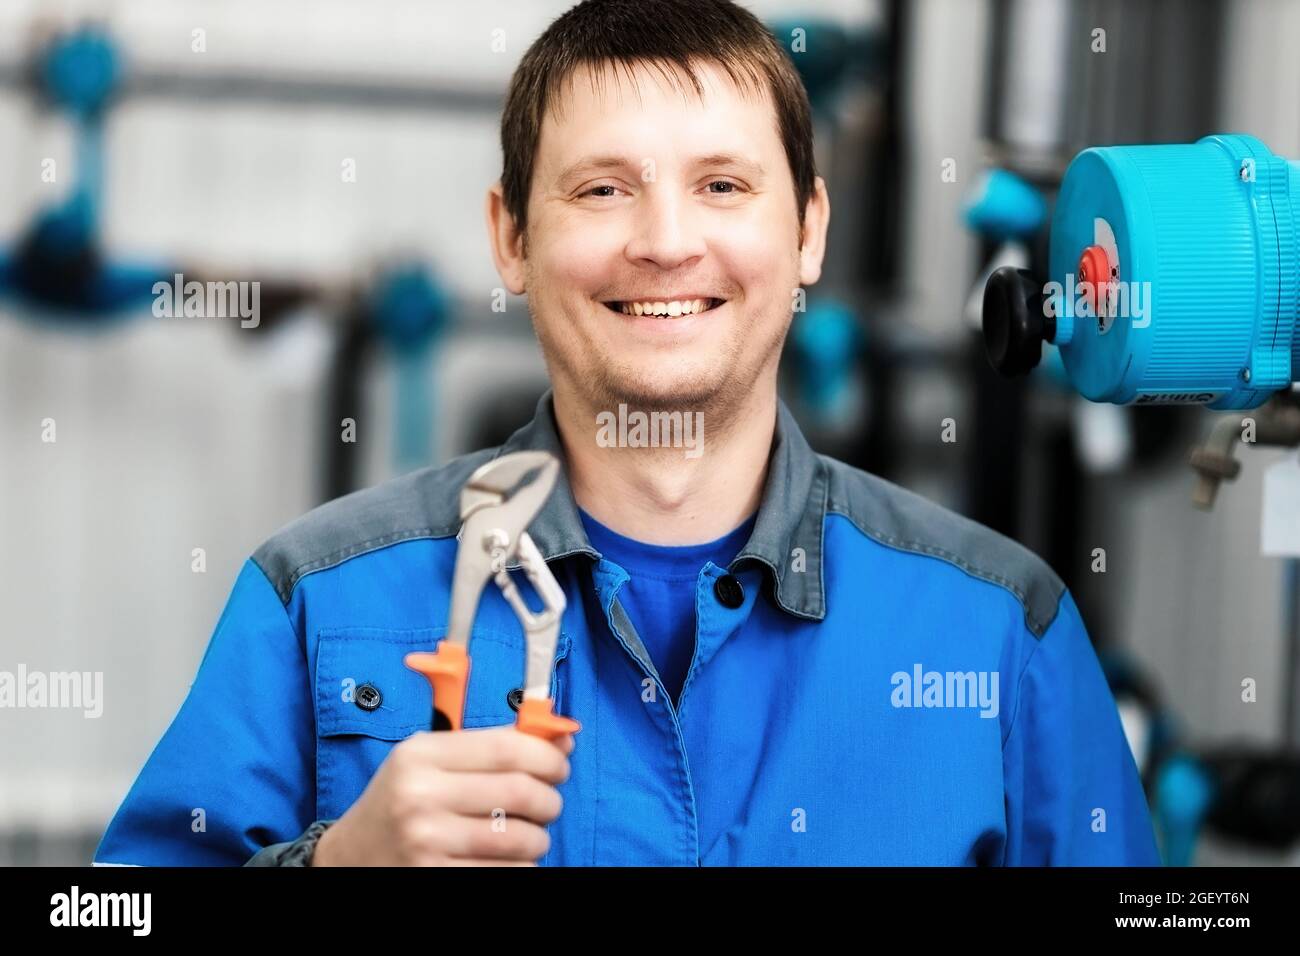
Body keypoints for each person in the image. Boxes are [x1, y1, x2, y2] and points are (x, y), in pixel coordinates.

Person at [95, 0, 1160, 867]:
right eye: (603, 189)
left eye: (722, 186)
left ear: (809, 231)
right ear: (511, 236)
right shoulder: (317, 597)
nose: (664, 242)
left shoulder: (995, 628)